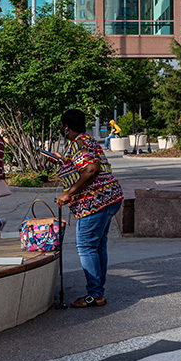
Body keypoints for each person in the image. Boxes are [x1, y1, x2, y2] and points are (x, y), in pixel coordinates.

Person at [55, 108, 123, 308]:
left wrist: (68, 194)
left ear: (67, 126)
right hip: (110, 197)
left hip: (94, 202)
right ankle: (97, 290)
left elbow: (91, 168)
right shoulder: (88, 140)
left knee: (86, 247)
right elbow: (85, 163)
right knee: (97, 245)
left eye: (61, 125)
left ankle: (95, 294)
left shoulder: (79, 143)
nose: (60, 128)